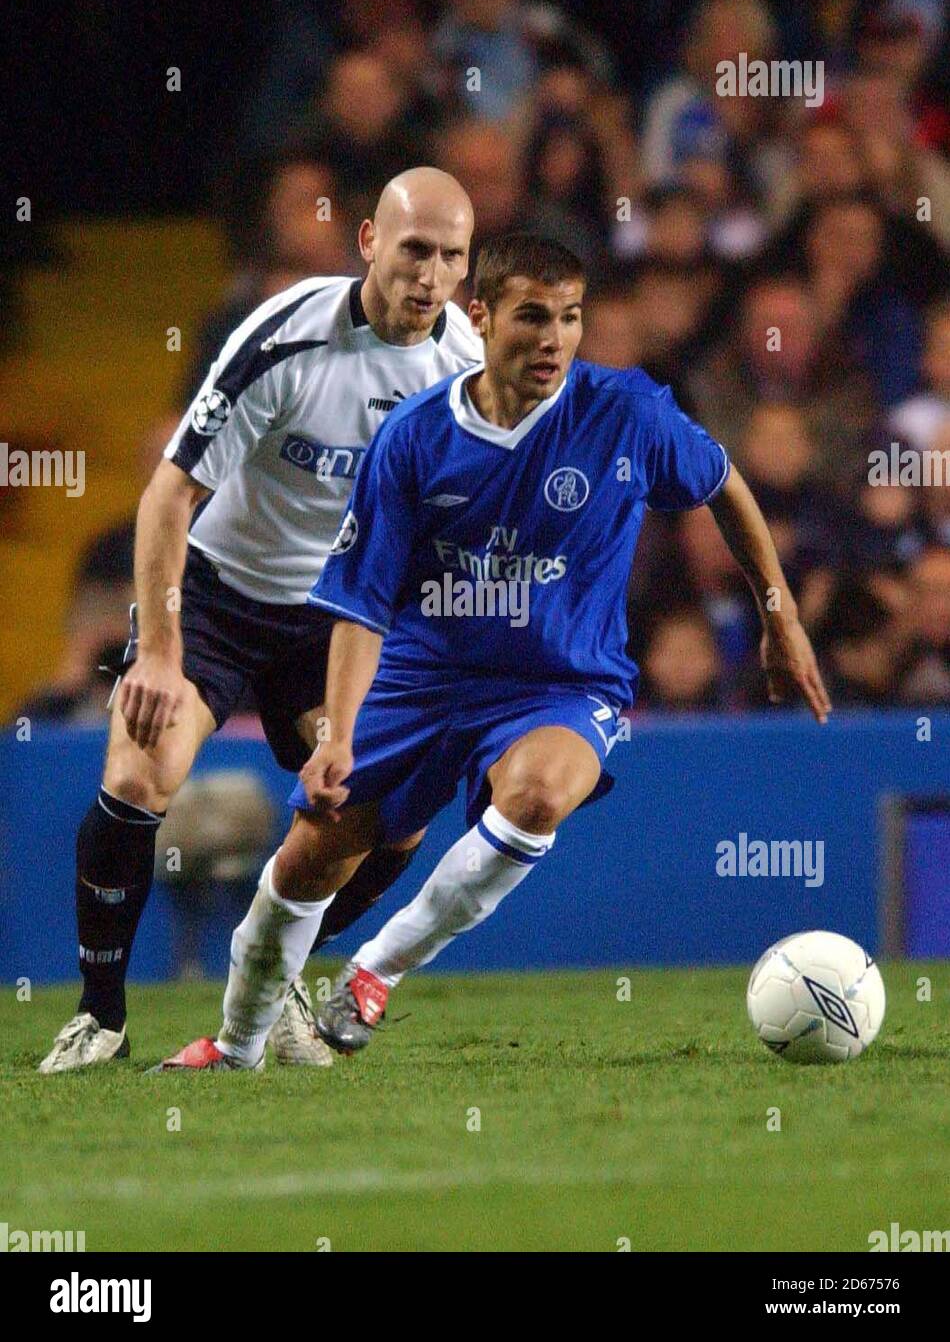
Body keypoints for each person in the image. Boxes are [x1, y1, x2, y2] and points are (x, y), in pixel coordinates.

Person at [153, 232, 830, 1072]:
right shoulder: (411, 437)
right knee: (306, 862)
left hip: (561, 683)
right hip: (423, 676)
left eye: (572, 318)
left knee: (540, 795)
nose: (553, 339)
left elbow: (723, 483)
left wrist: (779, 612)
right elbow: (361, 605)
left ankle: (374, 972)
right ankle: (238, 1046)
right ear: (480, 317)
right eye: (532, 317)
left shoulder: (625, 414)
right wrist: (336, 736)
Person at [39, 167, 482, 1074]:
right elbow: (168, 494)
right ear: (368, 243)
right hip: (220, 593)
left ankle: (272, 980)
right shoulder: (285, 341)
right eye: (412, 251)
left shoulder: (465, 371)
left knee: (390, 817)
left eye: (449, 258)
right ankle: (102, 1019)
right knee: (141, 766)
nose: (427, 275)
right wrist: (159, 653)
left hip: (337, 619)